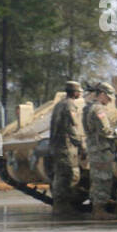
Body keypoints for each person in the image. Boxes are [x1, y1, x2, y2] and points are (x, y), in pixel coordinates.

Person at [49, 80, 86, 217]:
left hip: (57, 146)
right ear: (75, 92)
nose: (80, 94)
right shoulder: (70, 106)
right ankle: (62, 205)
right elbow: (72, 127)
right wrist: (81, 146)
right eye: (79, 92)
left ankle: (59, 205)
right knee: (69, 175)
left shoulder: (59, 104)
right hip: (66, 147)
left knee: (60, 175)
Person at [83, 81, 117, 220]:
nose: (109, 101)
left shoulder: (87, 108)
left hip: (93, 148)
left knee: (96, 179)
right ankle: (99, 210)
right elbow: (105, 131)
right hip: (101, 149)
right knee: (103, 179)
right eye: (108, 97)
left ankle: (97, 208)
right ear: (102, 94)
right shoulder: (98, 109)